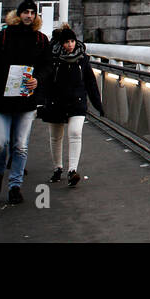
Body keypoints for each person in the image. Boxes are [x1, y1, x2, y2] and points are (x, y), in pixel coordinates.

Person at [0, 0, 51, 204]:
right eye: (25, 12)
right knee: (0, 144)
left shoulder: (41, 40)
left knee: (20, 146)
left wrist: (38, 80)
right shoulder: (1, 38)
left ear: (35, 16)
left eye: (32, 13)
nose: (29, 15)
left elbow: (47, 66)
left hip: (26, 100)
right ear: (18, 15)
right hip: (0, 100)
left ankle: (15, 186)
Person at [39, 24, 104, 188]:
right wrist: (40, 101)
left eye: (72, 41)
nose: (70, 45)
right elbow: (45, 80)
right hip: (56, 101)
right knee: (56, 136)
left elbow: (90, 82)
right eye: (66, 42)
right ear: (60, 43)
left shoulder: (82, 58)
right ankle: (57, 167)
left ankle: (72, 170)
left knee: (75, 133)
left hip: (77, 101)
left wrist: (98, 104)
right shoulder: (53, 59)